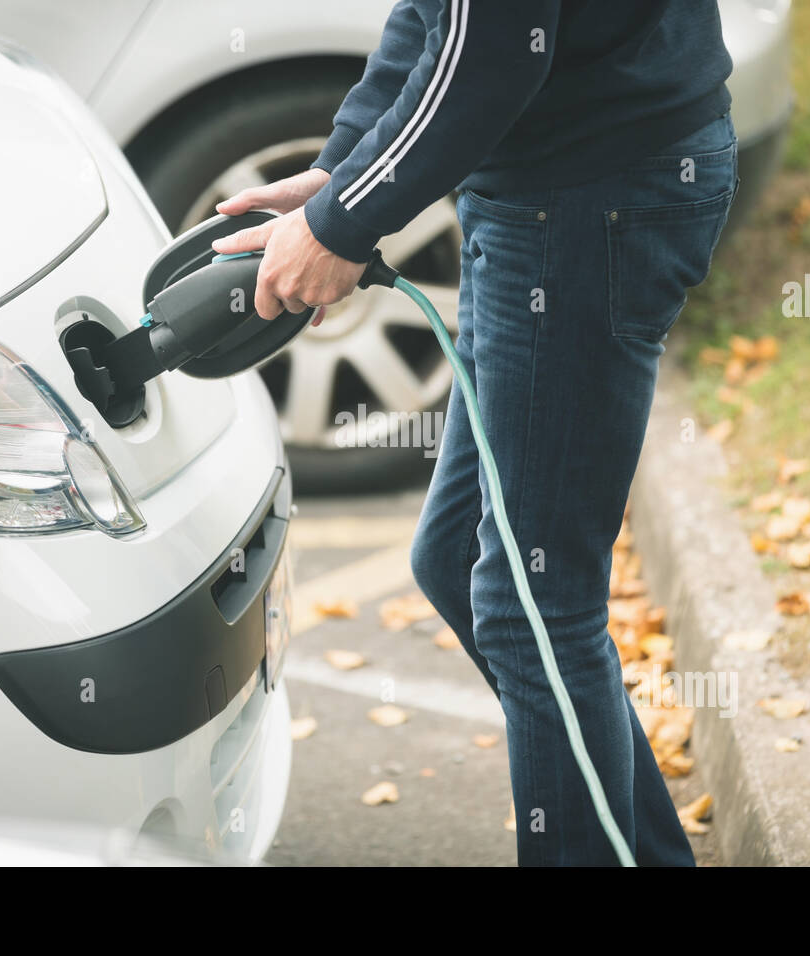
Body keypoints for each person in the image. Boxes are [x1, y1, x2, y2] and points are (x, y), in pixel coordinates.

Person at [212, 0, 738, 866]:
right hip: (565, 189)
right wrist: (342, 174)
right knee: (462, 559)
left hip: (584, 201)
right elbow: (443, 20)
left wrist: (346, 221)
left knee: (537, 606)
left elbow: (488, 54)